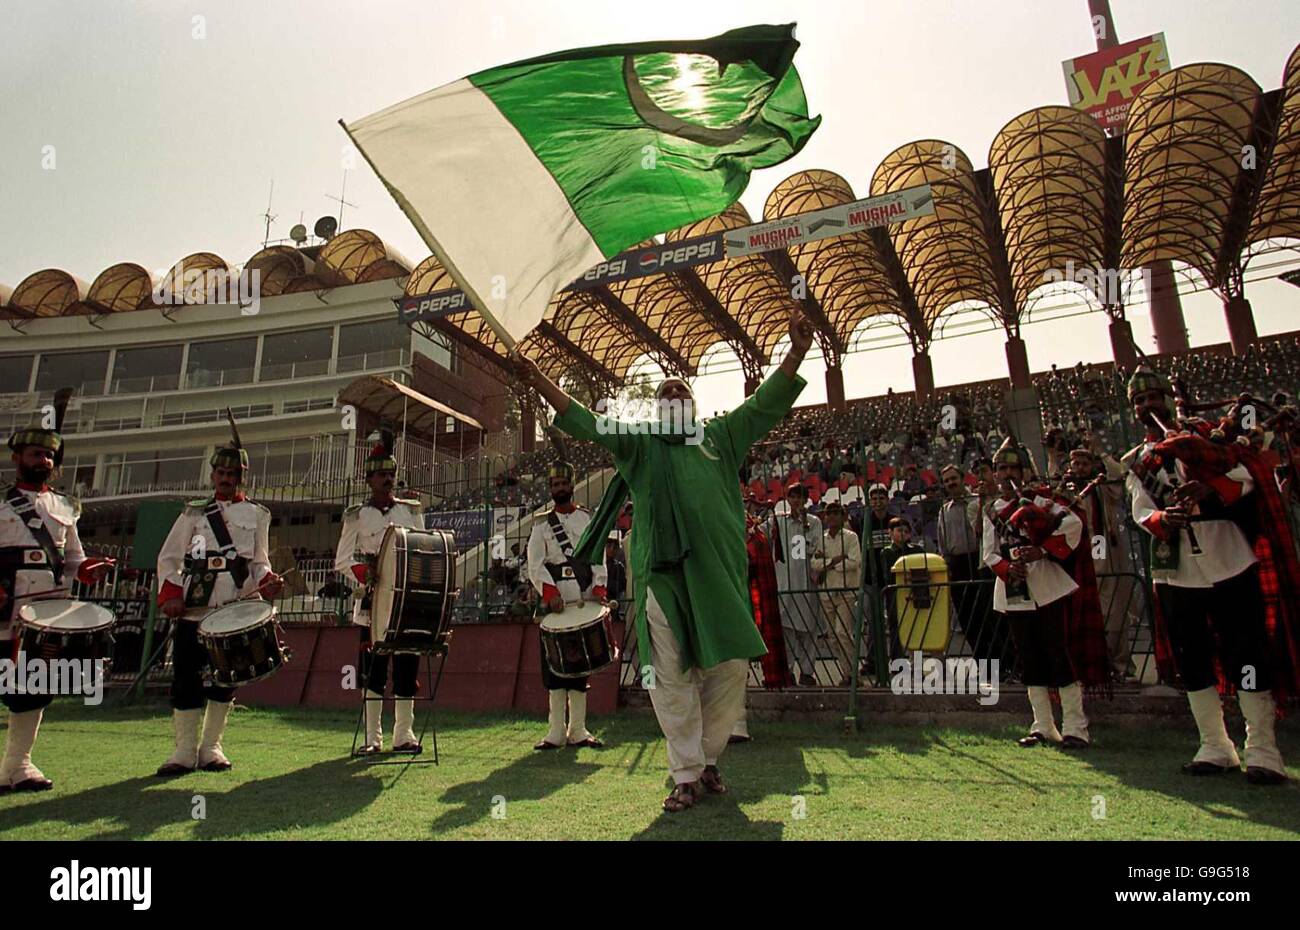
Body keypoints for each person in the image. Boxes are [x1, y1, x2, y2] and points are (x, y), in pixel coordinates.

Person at [512, 308, 813, 812]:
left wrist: (798, 352)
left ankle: (708, 759)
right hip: (662, 580)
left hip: (719, 578)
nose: (674, 394)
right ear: (656, 408)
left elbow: (764, 406)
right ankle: (685, 775)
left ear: (694, 405)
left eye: (682, 391)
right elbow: (589, 424)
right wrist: (539, 379)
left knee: (730, 670)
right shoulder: (641, 443)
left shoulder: (720, 435)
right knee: (671, 676)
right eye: (665, 392)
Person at [1124, 366, 1300, 784]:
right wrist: (1164, 516)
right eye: (1139, 402)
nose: (1148, 407)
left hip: (1229, 556)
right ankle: (1215, 745)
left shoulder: (1207, 436)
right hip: (1177, 567)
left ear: (1169, 400)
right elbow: (1140, 508)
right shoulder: (1139, 460)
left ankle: (1262, 748)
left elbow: (1249, 476)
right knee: (1193, 659)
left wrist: (1211, 488)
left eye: (1154, 399)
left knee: (1247, 652)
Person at [155, 412, 284, 775]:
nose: (227, 480)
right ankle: (183, 751)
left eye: (234, 475)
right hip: (195, 608)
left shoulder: (258, 514)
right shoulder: (194, 513)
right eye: (222, 474)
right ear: (213, 476)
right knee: (186, 676)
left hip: (235, 608)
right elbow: (168, 558)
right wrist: (171, 596)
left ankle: (211, 748)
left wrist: (268, 579)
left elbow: (258, 561)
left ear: (243, 477)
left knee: (226, 678)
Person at [0, 392, 112, 793]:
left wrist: (87, 569)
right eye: (35, 455)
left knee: (32, 689)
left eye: (48, 457)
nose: (42, 462)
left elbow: (72, 558)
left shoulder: (66, 506)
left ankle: (17, 767)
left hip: (46, 612)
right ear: (17, 458)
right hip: (3, 605)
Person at [982, 438, 1092, 749]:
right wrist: (1007, 568)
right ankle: (1043, 725)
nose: (1005, 474)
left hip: (1046, 585)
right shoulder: (993, 509)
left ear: (1025, 471)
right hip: (1015, 589)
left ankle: (1075, 727)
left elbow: (1072, 526)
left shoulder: (1044, 501)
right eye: (1000, 468)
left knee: (1058, 654)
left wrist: (1042, 551)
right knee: (1029, 658)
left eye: (1011, 468)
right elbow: (989, 553)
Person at [333, 430, 426, 754]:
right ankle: (373, 739)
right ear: (369, 478)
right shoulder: (356, 516)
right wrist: (365, 573)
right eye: (381, 475)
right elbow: (342, 560)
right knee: (372, 670)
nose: (387, 479)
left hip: (405, 599)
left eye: (391, 474)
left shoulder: (411, 511)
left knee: (406, 665)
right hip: (372, 600)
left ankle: (405, 734)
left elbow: (424, 549)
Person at [526, 461, 607, 750]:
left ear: (572, 486)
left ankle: (579, 730)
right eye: (554, 485)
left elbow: (597, 555)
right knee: (555, 667)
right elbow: (534, 564)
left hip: (583, 597)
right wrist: (549, 593)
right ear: (551, 489)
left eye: (563, 484)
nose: (559, 489)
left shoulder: (587, 519)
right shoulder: (540, 525)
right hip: (556, 601)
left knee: (579, 665)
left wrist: (598, 586)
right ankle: (555, 732)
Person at [768, 482, 824, 686]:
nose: (797, 501)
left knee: (809, 630)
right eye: (793, 497)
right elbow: (759, 532)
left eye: (800, 497)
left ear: (806, 500)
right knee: (787, 631)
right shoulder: (778, 522)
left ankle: (807, 671)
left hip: (807, 582)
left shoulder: (814, 522)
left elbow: (816, 547)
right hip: (784, 582)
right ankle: (789, 669)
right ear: (788, 499)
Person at [810, 501, 861, 686]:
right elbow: (814, 563)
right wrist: (835, 561)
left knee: (843, 632)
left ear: (843, 516)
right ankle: (846, 671)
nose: (831, 517)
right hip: (826, 591)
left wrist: (828, 563)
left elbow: (854, 562)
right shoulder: (822, 539)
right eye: (828, 513)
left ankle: (852, 673)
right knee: (832, 636)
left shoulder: (851, 537)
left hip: (846, 591)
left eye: (835, 513)